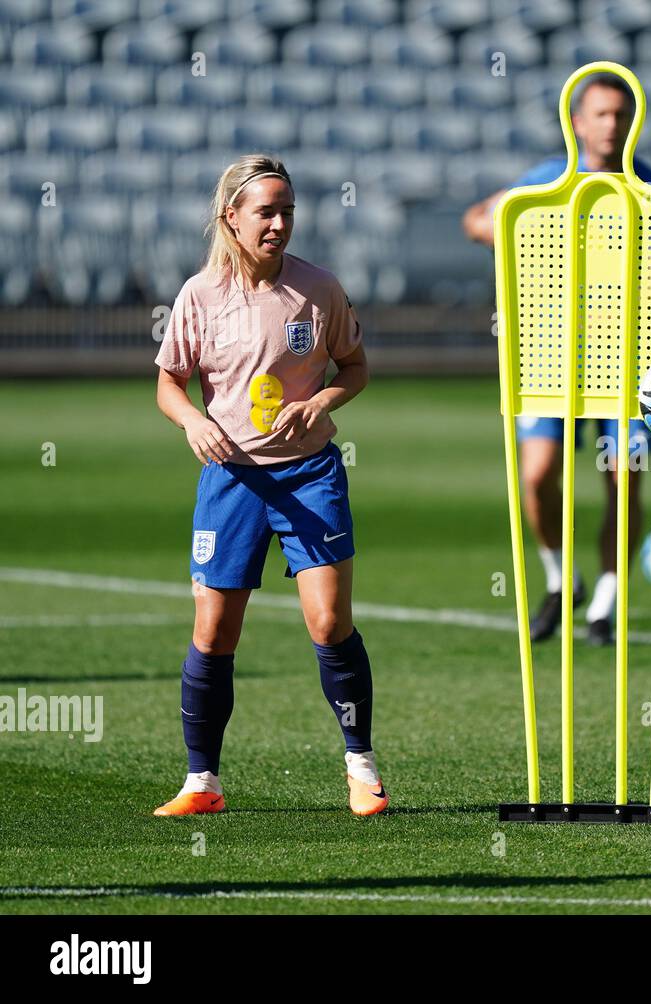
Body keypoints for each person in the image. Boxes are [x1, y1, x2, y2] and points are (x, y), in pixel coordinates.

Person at [153, 154, 387, 817]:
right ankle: (203, 782)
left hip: (310, 474)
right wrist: (193, 422)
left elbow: (356, 366)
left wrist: (323, 403)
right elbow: (169, 383)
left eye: (288, 211)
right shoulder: (200, 294)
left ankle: (361, 767)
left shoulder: (319, 289)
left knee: (328, 619)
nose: (280, 223)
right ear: (231, 217)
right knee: (214, 629)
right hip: (230, 479)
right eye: (266, 211)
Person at [463, 73, 651, 646]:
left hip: (630, 357)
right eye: (600, 114)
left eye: (621, 114)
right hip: (551, 354)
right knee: (539, 475)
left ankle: (605, 602)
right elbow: (477, 219)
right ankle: (559, 580)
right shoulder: (549, 179)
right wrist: (517, 231)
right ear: (577, 121)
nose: (612, 125)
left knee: (624, 479)